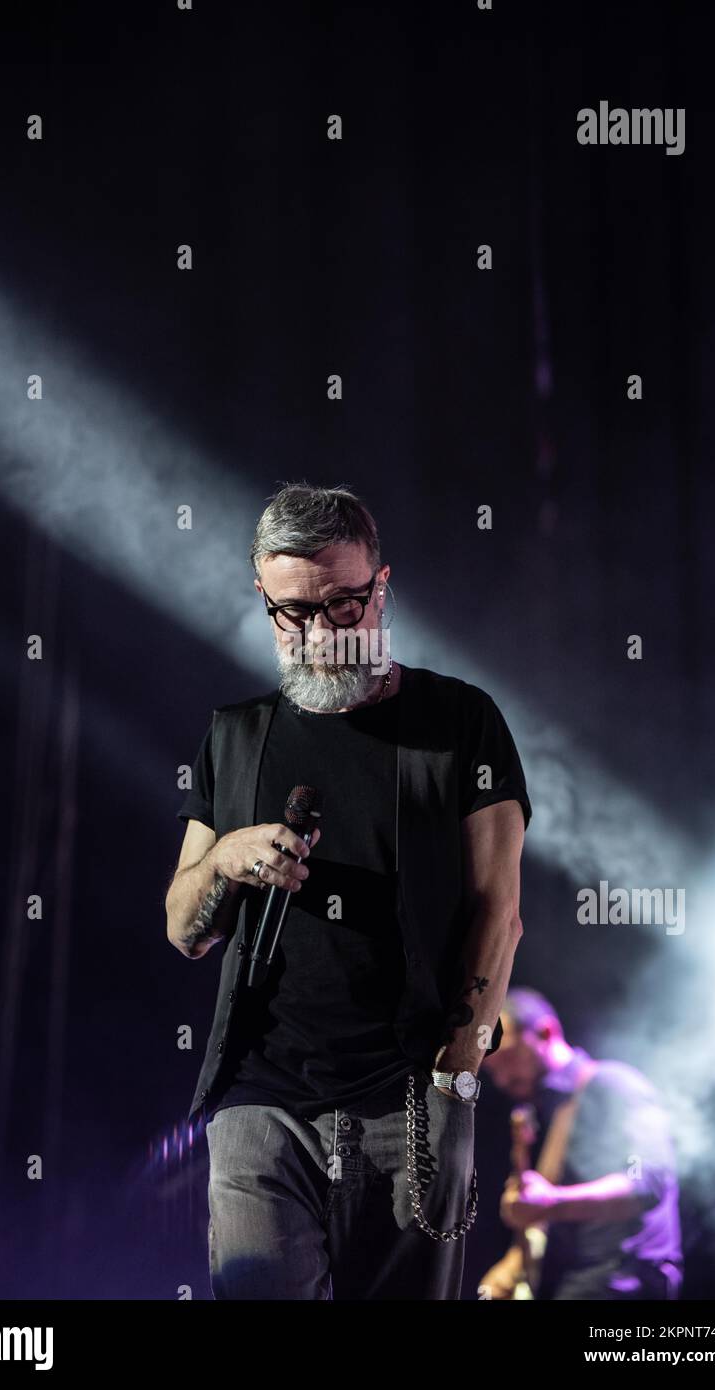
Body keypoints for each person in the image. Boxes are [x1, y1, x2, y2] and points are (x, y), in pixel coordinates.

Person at [165, 482, 531, 1299]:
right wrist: (224, 857)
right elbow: (184, 929)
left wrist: (458, 1064)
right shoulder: (236, 734)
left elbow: (497, 910)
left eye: (342, 606)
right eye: (291, 612)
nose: (318, 633)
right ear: (261, 595)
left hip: (411, 1092)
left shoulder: (458, 721)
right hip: (263, 1095)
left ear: (381, 586)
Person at [479, 987, 683, 1300]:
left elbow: (647, 1181)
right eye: (493, 1072)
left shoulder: (612, 1083)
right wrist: (513, 1264)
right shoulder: (549, 1111)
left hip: (620, 1282)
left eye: (507, 1058)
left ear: (546, 1032)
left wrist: (551, 1203)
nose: (503, 1080)